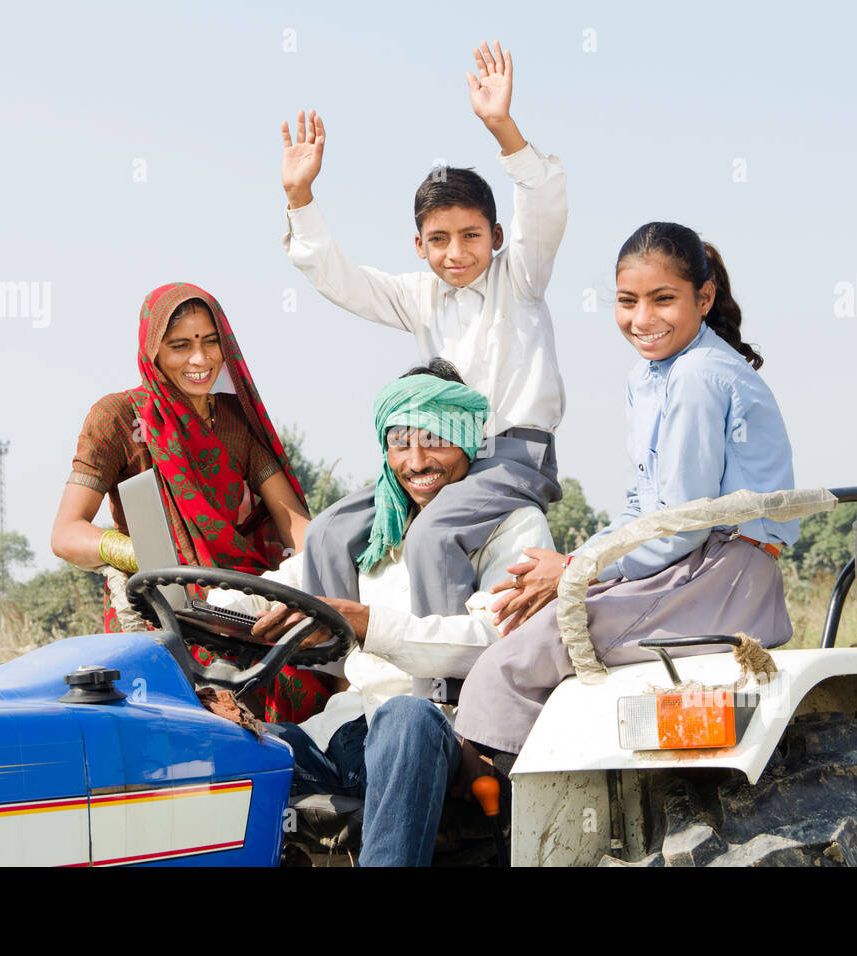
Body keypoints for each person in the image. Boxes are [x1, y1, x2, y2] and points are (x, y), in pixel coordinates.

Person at [454, 222, 800, 756]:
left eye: (664, 300)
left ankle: (509, 818)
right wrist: (577, 564)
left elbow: (682, 523)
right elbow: (643, 509)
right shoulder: (650, 377)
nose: (643, 320)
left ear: (703, 297)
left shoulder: (699, 376)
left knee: (511, 663)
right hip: (682, 563)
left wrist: (575, 570)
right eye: (627, 301)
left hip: (721, 574)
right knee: (524, 630)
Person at [208, 360, 555, 866]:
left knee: (405, 715)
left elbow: (495, 638)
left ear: (467, 439)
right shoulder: (366, 529)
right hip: (343, 736)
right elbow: (277, 588)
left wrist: (371, 624)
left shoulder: (513, 525)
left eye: (434, 440)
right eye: (400, 443)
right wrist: (210, 608)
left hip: (439, 735)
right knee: (216, 745)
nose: (416, 461)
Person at [279, 40, 567, 619]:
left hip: (511, 459)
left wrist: (502, 126)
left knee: (434, 534)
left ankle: (445, 684)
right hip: (436, 456)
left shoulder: (523, 277)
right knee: (331, 531)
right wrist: (300, 196)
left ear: (497, 236)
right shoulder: (420, 295)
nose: (456, 253)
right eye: (439, 240)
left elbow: (544, 202)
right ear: (419, 245)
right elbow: (342, 281)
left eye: (471, 236)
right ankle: (330, 671)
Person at [50, 282, 328, 723]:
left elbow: (294, 522)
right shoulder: (118, 418)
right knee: (196, 720)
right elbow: (66, 533)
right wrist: (141, 556)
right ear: (152, 351)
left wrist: (331, 576)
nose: (200, 360)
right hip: (162, 607)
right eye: (180, 345)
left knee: (326, 690)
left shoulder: (235, 421)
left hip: (239, 603)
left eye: (210, 341)